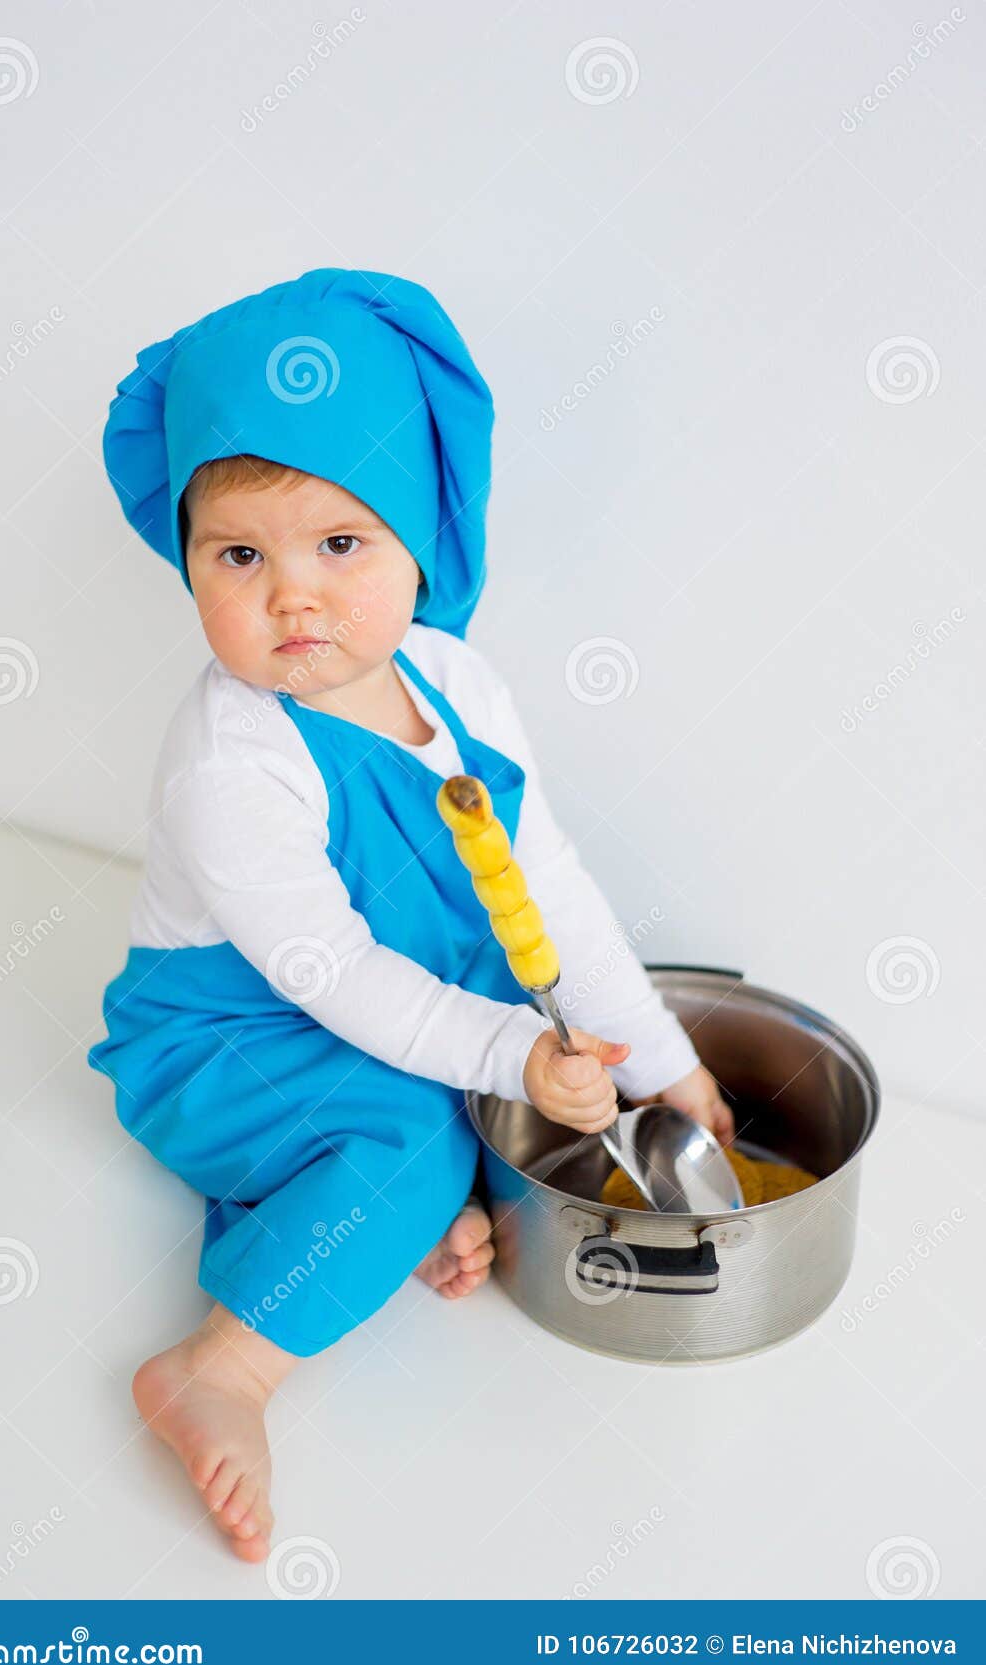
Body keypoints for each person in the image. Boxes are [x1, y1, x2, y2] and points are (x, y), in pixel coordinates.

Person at [87, 268, 734, 1564]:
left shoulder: (455, 682)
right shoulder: (234, 761)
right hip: (228, 1037)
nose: (296, 598)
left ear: (419, 535)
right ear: (186, 555)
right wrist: (510, 1057)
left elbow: (547, 883)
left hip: (381, 996)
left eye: (341, 543)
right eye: (239, 555)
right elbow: (334, 976)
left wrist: (665, 1061)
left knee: (478, 1069)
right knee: (417, 1138)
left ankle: (383, 1209)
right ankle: (219, 1367)